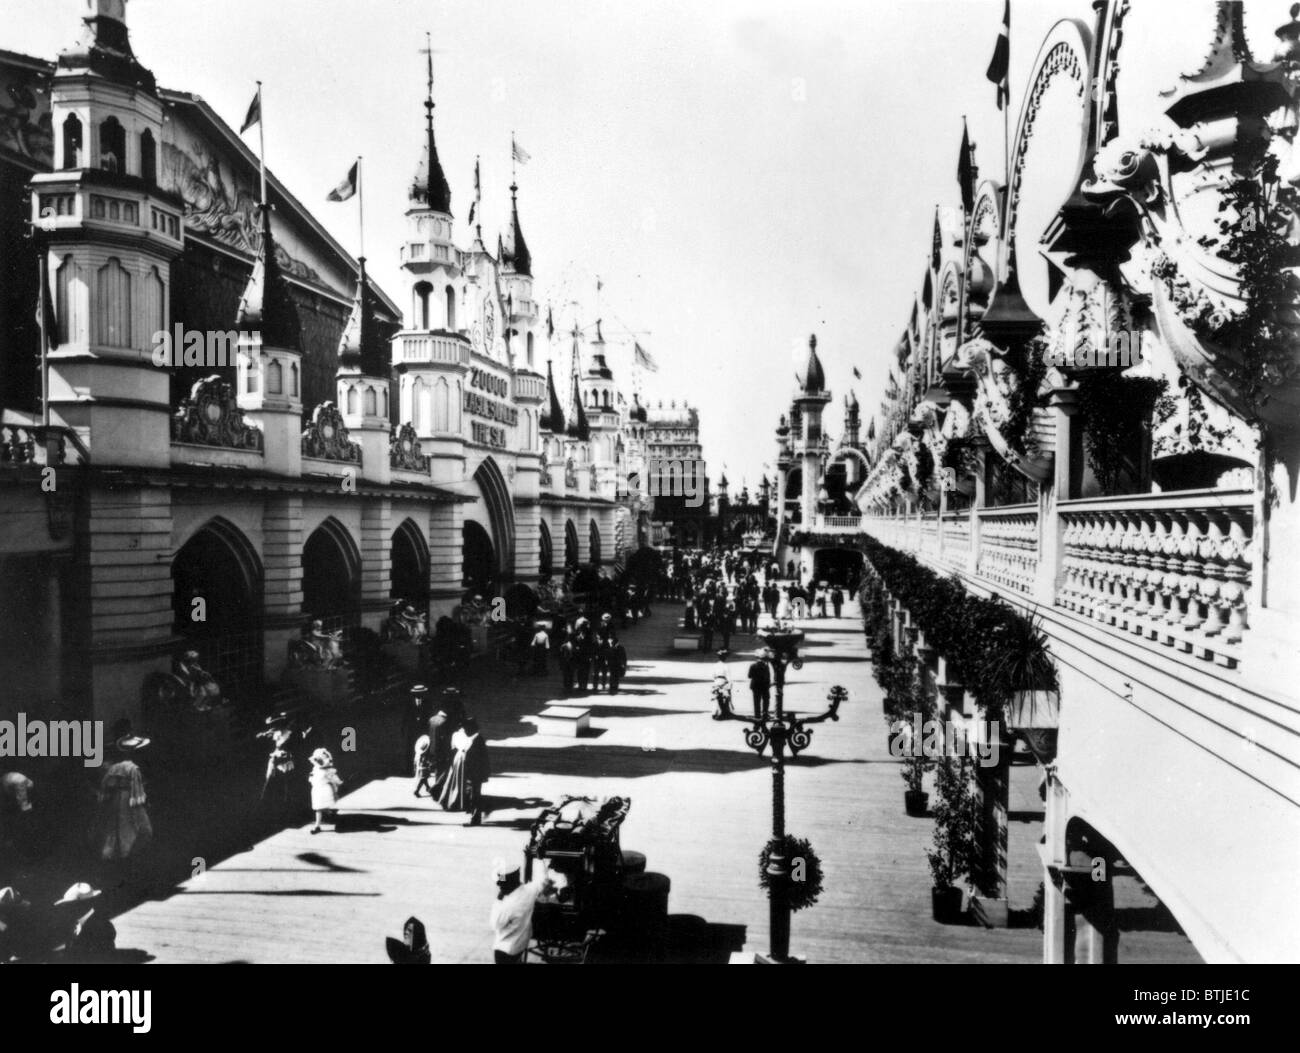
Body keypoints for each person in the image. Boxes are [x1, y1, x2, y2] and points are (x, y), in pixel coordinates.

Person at [94, 735, 153, 873]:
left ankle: (116, 857)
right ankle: (130, 858)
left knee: (115, 829)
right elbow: (137, 792)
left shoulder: (114, 768)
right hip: (129, 802)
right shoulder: (134, 769)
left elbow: (105, 787)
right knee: (135, 829)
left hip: (115, 801)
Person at [490, 863, 554, 964]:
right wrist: (540, 859)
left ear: (509, 883)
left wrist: (498, 901)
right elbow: (542, 880)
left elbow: (495, 925)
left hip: (504, 951)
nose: (499, 886)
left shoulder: (507, 905)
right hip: (520, 946)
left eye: (502, 883)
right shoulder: (529, 890)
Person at [439, 717, 489, 826]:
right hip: (473, 771)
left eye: (466, 729)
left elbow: (479, 758)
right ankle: (474, 815)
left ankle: (475, 818)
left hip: (475, 772)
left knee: (474, 795)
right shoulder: (474, 738)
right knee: (473, 794)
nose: (464, 731)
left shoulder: (476, 740)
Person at [308, 748, 342, 834]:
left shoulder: (328, 770)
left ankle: (336, 820)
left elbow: (334, 778)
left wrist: (338, 782)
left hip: (326, 790)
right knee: (318, 808)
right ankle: (317, 825)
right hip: (317, 789)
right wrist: (311, 779)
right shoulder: (315, 769)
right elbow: (311, 778)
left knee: (329, 807)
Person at [748, 649, 773, 719]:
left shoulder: (752, 666)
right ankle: (765, 713)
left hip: (755, 686)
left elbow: (749, 676)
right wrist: (768, 684)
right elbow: (768, 676)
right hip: (764, 686)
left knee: (756, 701)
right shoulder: (765, 666)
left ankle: (757, 715)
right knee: (766, 700)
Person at [711, 649, 733, 719]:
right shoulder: (726, 666)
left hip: (716, 681)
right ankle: (724, 711)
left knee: (716, 696)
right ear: (725, 657)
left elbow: (713, 675)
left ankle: (714, 712)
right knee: (725, 696)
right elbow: (728, 676)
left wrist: (715, 681)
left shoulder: (715, 665)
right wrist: (730, 683)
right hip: (723, 681)